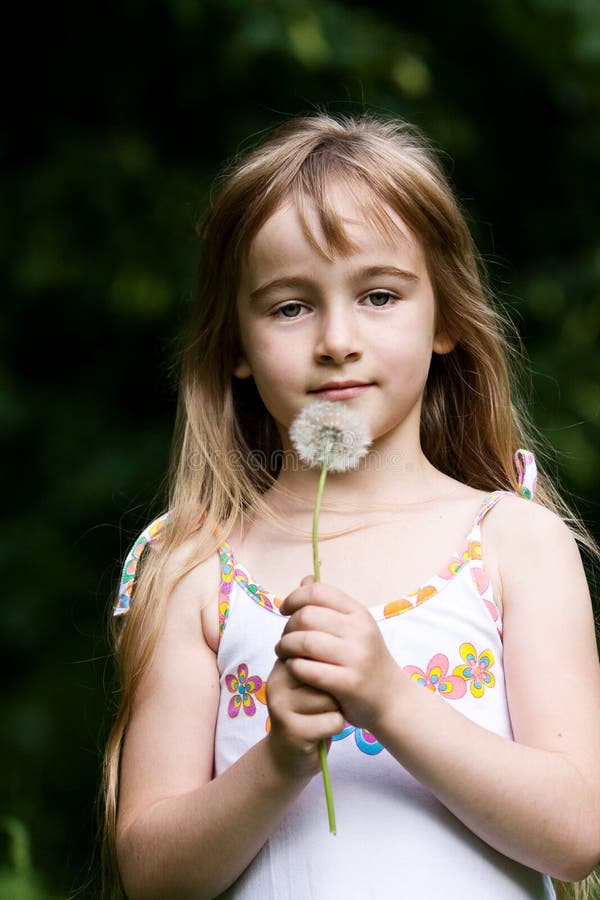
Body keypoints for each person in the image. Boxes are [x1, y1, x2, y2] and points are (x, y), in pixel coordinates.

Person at [103, 114, 600, 900]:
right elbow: (153, 874)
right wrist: (279, 760)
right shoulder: (196, 569)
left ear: (444, 319)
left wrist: (390, 700)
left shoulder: (516, 543)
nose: (337, 338)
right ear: (234, 342)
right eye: (290, 307)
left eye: (377, 295)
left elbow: (577, 834)